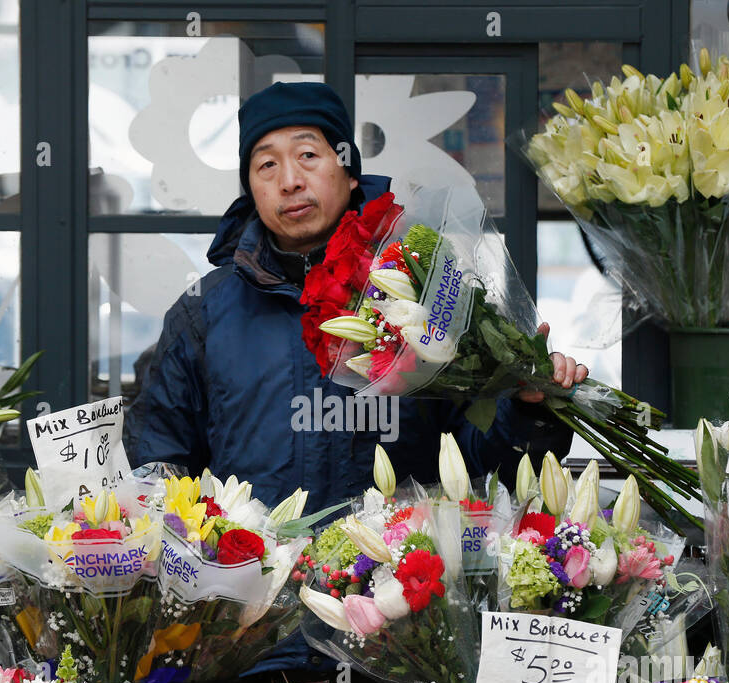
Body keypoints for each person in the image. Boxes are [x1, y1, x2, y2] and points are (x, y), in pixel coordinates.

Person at [126, 81, 587, 515]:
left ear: (349, 174)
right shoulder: (203, 314)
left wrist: (528, 409)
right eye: (266, 165)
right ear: (252, 189)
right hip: (254, 587)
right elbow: (158, 467)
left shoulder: (421, 286)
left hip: (399, 583)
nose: (289, 180)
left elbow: (481, 463)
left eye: (308, 155)